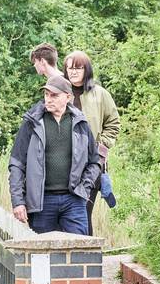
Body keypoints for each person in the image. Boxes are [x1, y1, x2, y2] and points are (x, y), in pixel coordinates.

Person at [9, 72, 101, 234]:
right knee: (43, 255)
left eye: (54, 95)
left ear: (67, 97)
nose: (48, 99)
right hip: (42, 202)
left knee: (78, 251)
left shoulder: (80, 123)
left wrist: (84, 188)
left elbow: (94, 161)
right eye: (46, 94)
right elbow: (16, 164)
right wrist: (18, 202)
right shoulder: (32, 123)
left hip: (74, 200)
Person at [63, 50, 120, 232]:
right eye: (69, 68)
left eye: (78, 68)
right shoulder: (60, 93)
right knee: (66, 213)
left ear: (86, 70)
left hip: (92, 164)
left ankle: (88, 257)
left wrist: (100, 147)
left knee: (83, 212)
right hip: (64, 164)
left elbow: (113, 123)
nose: (73, 72)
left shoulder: (100, 94)